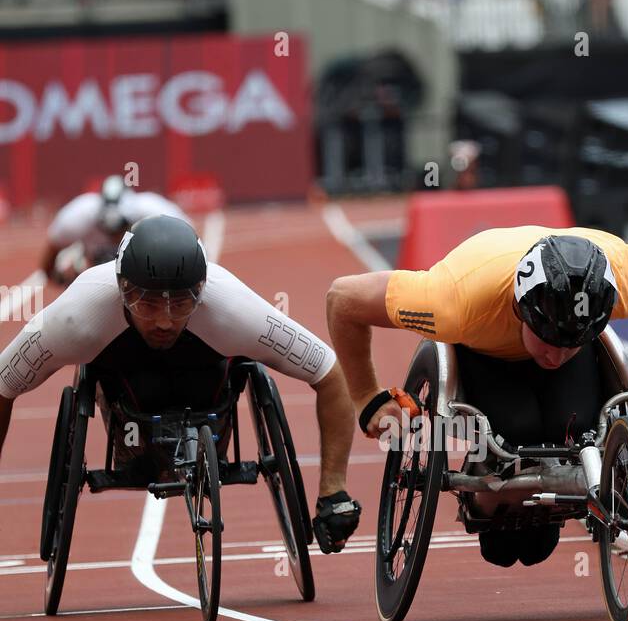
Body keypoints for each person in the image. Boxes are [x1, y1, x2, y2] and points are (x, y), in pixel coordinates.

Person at [326, 224, 628, 566]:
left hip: (564, 317)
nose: (556, 356)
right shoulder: (453, 303)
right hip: (485, 348)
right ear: (522, 310)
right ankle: (485, 484)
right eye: (547, 340)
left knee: (569, 432)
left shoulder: (625, 278)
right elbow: (342, 298)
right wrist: (367, 397)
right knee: (517, 443)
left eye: (569, 344)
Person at [1, 215, 361, 555]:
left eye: (182, 302)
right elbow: (4, 384)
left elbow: (329, 372)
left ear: (202, 291)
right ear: (123, 290)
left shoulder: (231, 307)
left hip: (206, 387)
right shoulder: (76, 316)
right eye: (149, 302)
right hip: (126, 397)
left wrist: (333, 488)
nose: (164, 320)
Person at [41, 176, 187, 284]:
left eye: (120, 229)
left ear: (133, 218)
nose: (115, 238)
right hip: (96, 274)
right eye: (108, 231)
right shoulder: (77, 217)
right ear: (97, 220)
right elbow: (51, 251)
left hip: (146, 273)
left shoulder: (155, 212)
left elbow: (190, 241)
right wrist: (62, 280)